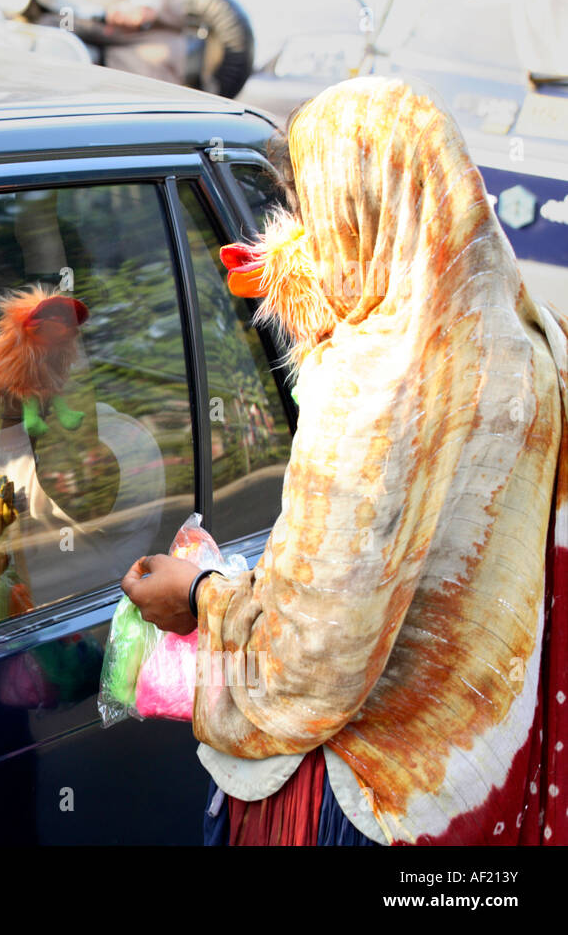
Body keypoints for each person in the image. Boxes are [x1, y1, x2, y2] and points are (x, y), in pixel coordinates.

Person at [122, 77, 568, 845]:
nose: (299, 233)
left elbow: (309, 665)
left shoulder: (372, 386)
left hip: (361, 797)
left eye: (308, 206)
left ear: (355, 209)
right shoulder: (533, 346)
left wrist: (201, 597)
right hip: (473, 775)